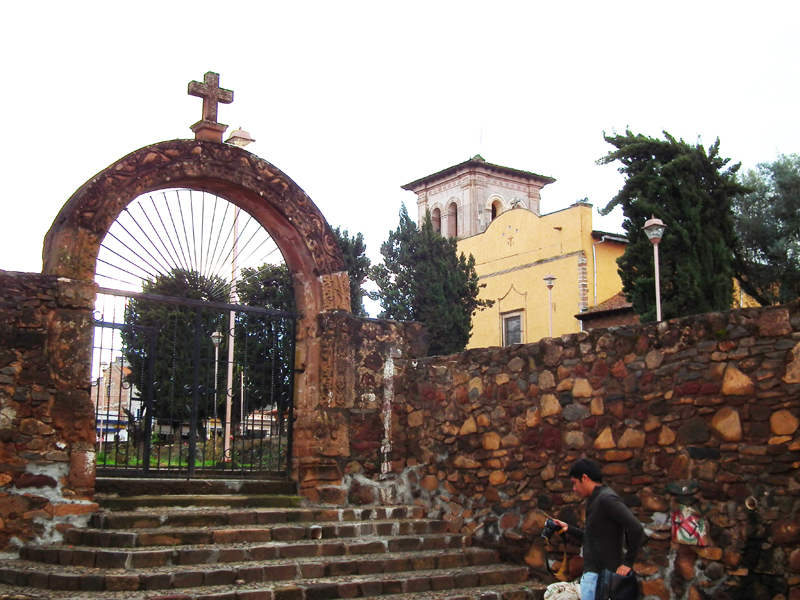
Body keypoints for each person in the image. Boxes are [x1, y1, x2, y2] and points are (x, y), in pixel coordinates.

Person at [552, 458, 644, 600]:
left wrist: (628, 563)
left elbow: (636, 527)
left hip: (601, 578)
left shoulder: (606, 498)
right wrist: (568, 528)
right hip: (594, 577)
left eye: (575, 483)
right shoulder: (596, 499)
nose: (574, 489)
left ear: (585, 478)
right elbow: (592, 539)